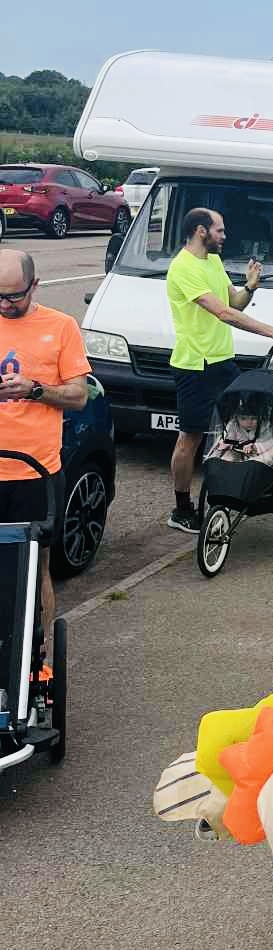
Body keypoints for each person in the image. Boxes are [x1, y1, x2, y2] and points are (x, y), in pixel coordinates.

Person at [166, 208, 273, 532]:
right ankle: (182, 509)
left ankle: (237, 490)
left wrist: (250, 287)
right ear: (201, 231)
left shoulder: (211, 261)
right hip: (195, 365)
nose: (225, 236)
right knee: (191, 436)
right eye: (220, 231)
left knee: (248, 424)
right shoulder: (183, 268)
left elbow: (234, 302)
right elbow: (223, 313)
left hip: (221, 361)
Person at [0, 249, 89, 658]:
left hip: (34, 474)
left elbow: (78, 395)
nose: (5, 304)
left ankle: (38, 660)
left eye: (13, 296)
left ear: (34, 286)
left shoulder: (61, 326)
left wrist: (34, 389)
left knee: (36, 569)